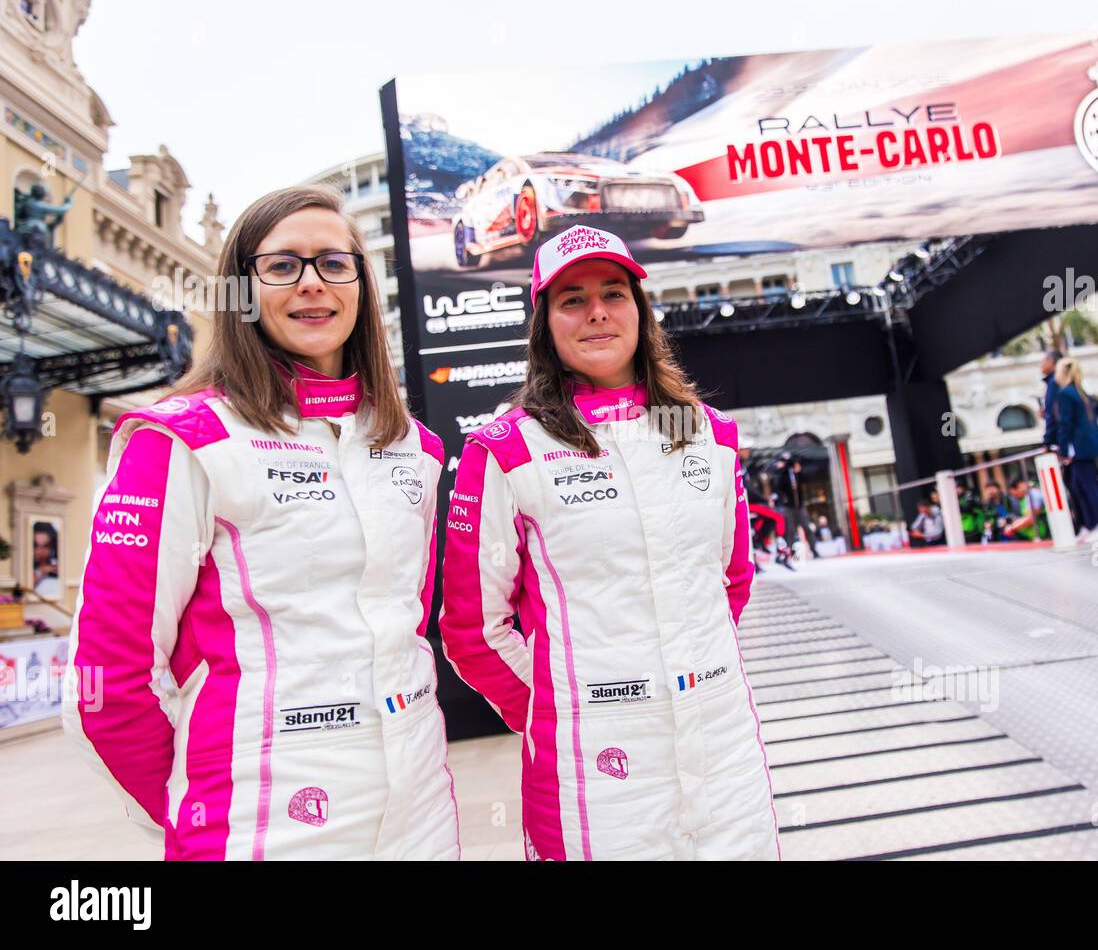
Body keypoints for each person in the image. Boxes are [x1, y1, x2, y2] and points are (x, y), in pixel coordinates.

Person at [63, 186, 460, 860]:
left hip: (420, 813)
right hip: (261, 823)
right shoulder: (182, 439)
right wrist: (196, 805)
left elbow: (404, 620)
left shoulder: (415, 450)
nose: (312, 283)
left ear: (362, 286)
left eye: (335, 263)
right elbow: (110, 675)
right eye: (282, 266)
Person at [439, 225, 779, 861]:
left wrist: (691, 669)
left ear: (640, 311)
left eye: (613, 293)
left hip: (724, 749)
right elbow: (472, 627)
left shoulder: (709, 432)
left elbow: (729, 580)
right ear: (545, 323)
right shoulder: (505, 449)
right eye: (572, 298)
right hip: (593, 772)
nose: (596, 312)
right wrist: (554, 714)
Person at [1053, 357, 1098, 543]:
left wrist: (1063, 450)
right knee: (1082, 486)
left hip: (1078, 448)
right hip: (1086, 446)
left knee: (1087, 487)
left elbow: (1066, 424)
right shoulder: (1079, 392)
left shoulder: (1066, 393)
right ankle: (1091, 525)